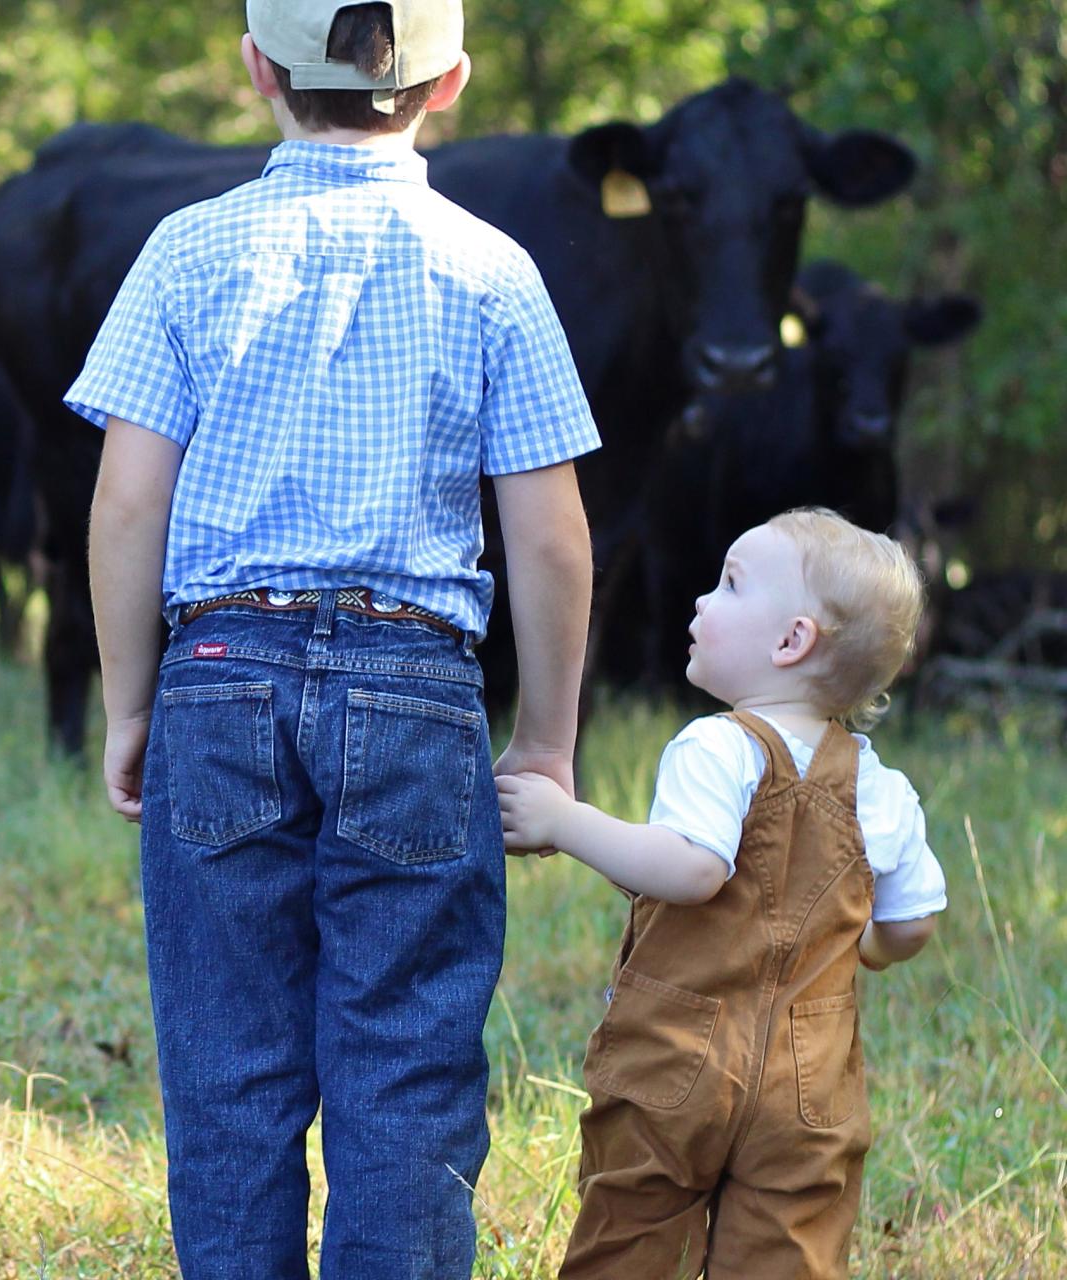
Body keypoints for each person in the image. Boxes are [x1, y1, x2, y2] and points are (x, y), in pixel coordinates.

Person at [69, 0, 599, 1274]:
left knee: (227, 1062)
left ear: (256, 67)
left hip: (216, 675)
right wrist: (544, 741)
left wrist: (131, 705)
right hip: (414, 682)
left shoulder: (185, 249)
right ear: (449, 84)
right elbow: (551, 538)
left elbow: (127, 502)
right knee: (406, 1061)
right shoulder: (492, 267)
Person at [496, 508, 944, 1278]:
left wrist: (566, 822)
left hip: (680, 1063)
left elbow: (690, 867)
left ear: (791, 641)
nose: (703, 600)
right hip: (811, 1086)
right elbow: (913, 923)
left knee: (632, 1240)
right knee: (786, 1254)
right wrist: (861, 942)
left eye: (731, 585)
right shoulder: (884, 789)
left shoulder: (717, 745)